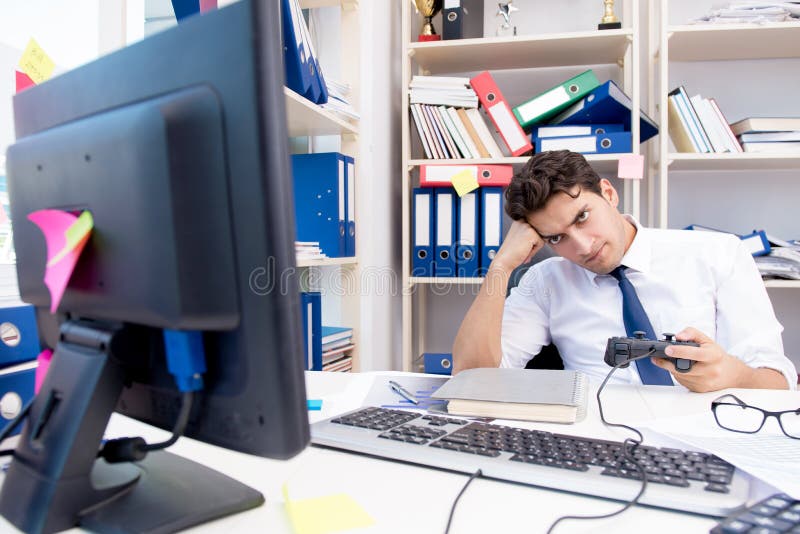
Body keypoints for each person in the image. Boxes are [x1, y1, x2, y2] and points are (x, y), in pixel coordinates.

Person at [452, 150, 796, 392]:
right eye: (557, 237)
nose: (583, 246)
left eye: (583, 217)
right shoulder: (546, 281)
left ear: (608, 192)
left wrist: (733, 375)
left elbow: (778, 382)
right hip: (594, 442)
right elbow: (471, 378)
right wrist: (501, 266)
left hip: (706, 432)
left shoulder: (718, 253)